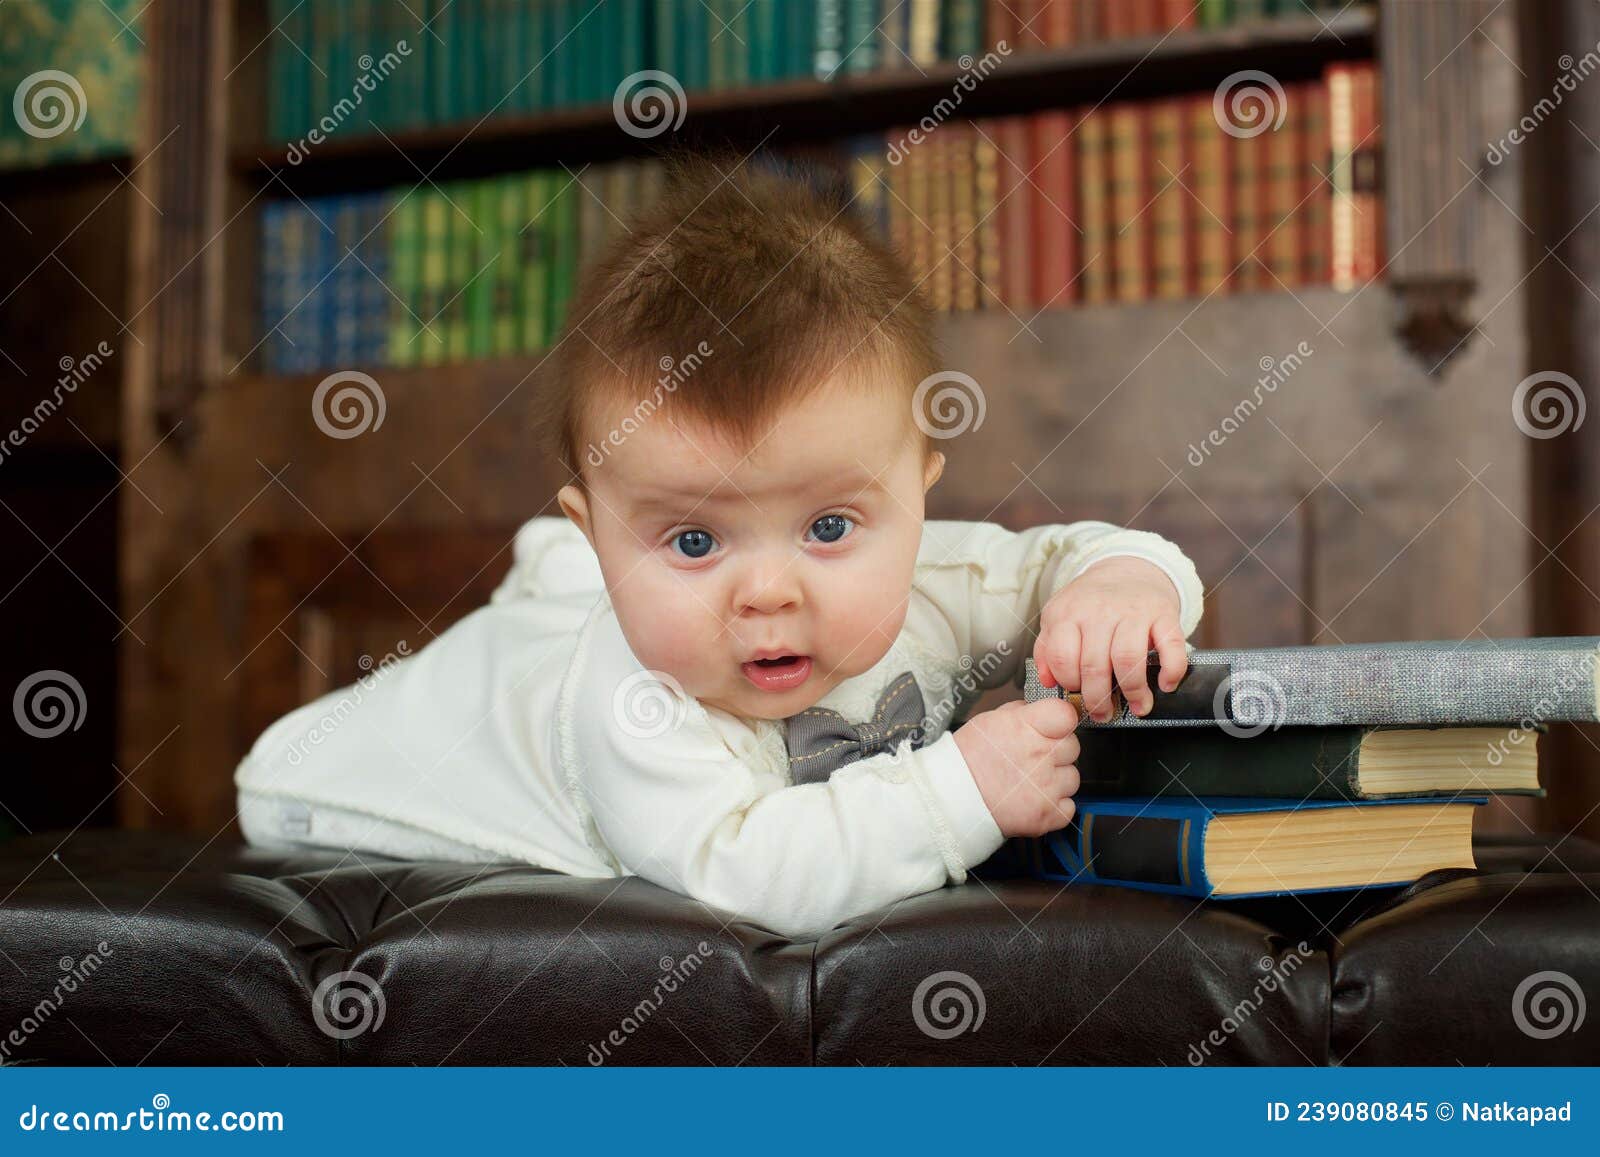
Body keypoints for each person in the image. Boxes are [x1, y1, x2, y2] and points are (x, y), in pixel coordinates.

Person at [235, 155, 1204, 939]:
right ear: (597, 533)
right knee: (325, 756)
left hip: (594, 608)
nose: (768, 592)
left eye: (829, 527)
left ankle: (595, 574)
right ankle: (550, 594)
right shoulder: (634, 704)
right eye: (695, 539)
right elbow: (752, 870)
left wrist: (1119, 585)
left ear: (919, 493)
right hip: (392, 760)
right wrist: (961, 788)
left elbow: (1065, 560)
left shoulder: (930, 578)